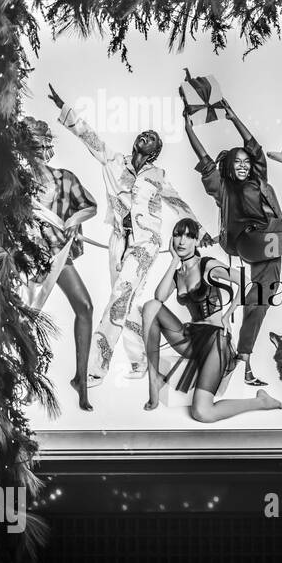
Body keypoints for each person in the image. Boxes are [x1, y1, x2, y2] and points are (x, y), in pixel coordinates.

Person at [48, 84, 200, 381]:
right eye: (144, 134)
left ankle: (94, 369)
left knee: (119, 296)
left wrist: (200, 229)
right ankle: (140, 360)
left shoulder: (157, 176)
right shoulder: (114, 161)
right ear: (136, 142)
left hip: (146, 244)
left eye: (153, 139)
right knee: (127, 303)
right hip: (118, 240)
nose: (147, 137)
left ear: (155, 152)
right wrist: (64, 108)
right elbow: (87, 136)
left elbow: (177, 202)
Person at [185, 98, 282, 386]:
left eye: (245, 162)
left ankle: (243, 358)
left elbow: (254, 148)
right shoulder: (224, 187)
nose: (242, 166)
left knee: (261, 300)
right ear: (229, 166)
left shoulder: (259, 182)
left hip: (270, 237)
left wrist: (233, 116)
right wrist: (188, 127)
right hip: (251, 240)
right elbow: (205, 159)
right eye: (237, 162)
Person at [141, 219, 282, 420]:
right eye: (178, 235)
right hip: (191, 338)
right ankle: (153, 379)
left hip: (214, 342)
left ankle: (261, 402)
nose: (182, 241)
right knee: (150, 307)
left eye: (189, 236)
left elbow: (246, 282)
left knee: (202, 412)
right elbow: (159, 298)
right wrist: (173, 262)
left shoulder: (207, 265)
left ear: (197, 241)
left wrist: (227, 315)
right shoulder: (178, 273)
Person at [26, 118, 98, 411]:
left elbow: (91, 206)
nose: (40, 150)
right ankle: (28, 379)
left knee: (86, 307)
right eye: (33, 144)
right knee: (26, 320)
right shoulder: (20, 184)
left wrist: (73, 220)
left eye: (42, 143)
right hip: (31, 259)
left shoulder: (65, 178)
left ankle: (80, 379)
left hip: (60, 255)